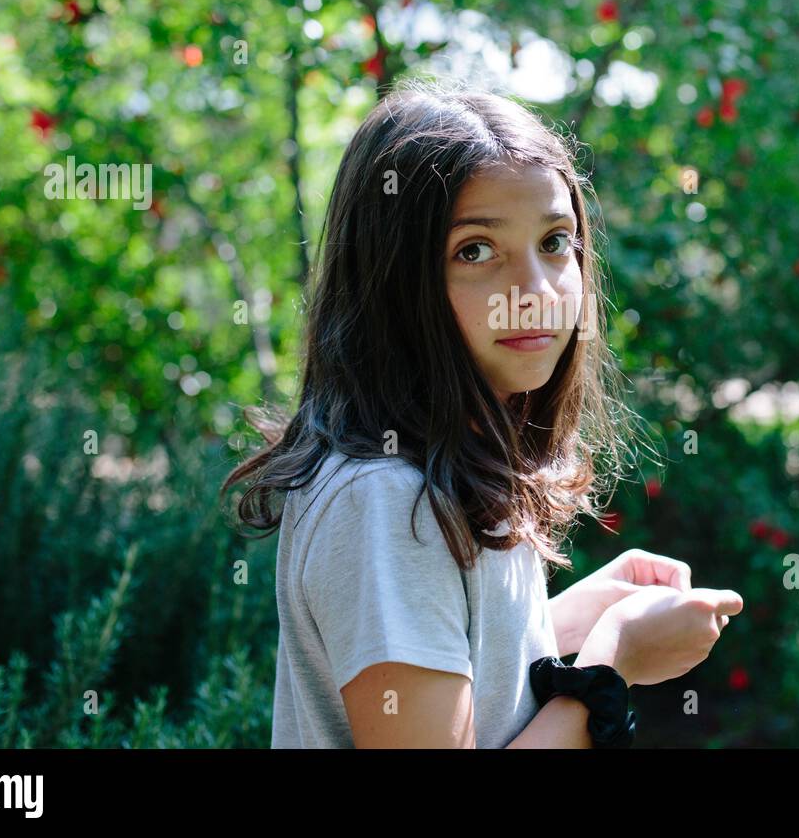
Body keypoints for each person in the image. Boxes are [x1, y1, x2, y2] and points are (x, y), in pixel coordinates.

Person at [222, 76, 743, 748]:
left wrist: (572, 622)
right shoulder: (386, 499)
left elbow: (462, 694)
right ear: (393, 280)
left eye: (555, 242)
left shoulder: (452, 463)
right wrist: (614, 665)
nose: (534, 290)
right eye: (475, 251)